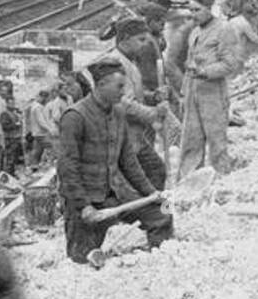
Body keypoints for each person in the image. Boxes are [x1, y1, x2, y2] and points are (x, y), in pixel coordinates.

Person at [55, 59, 173, 264]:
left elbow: (128, 162)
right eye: (119, 87)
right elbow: (68, 169)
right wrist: (84, 206)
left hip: (115, 195)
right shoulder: (75, 117)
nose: (123, 92)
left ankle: (159, 264)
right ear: (101, 85)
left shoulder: (118, 113)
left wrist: (151, 192)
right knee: (83, 257)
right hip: (86, 203)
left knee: (163, 212)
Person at [100, 16, 171, 189]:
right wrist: (152, 113)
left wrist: (152, 96)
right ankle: (153, 212)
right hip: (120, 137)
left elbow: (133, 94)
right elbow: (120, 102)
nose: (144, 45)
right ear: (125, 39)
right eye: (140, 40)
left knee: (156, 172)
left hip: (134, 136)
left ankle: (157, 212)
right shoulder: (113, 64)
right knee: (151, 174)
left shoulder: (129, 61)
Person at [178, 0, 242, 178]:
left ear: (208, 8)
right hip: (193, 92)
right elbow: (190, 61)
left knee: (216, 141)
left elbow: (230, 64)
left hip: (213, 93)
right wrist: (183, 92)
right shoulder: (195, 32)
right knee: (191, 139)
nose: (193, 15)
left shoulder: (224, 29)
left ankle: (220, 178)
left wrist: (206, 72)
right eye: (191, 10)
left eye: (197, 10)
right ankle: (190, 180)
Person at [25, 88, 59, 170]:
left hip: (36, 133)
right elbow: (41, 121)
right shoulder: (38, 107)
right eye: (46, 98)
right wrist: (50, 129)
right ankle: (51, 165)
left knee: (37, 152)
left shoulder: (34, 105)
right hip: (41, 133)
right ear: (43, 97)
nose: (46, 101)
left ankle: (33, 167)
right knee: (53, 147)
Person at [0, 94, 25, 179]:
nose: (13, 105)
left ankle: (12, 174)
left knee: (15, 158)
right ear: (7, 104)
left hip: (16, 138)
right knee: (10, 159)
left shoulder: (15, 113)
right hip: (10, 139)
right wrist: (15, 124)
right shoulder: (4, 114)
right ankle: (8, 176)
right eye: (11, 103)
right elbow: (5, 127)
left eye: (13, 103)